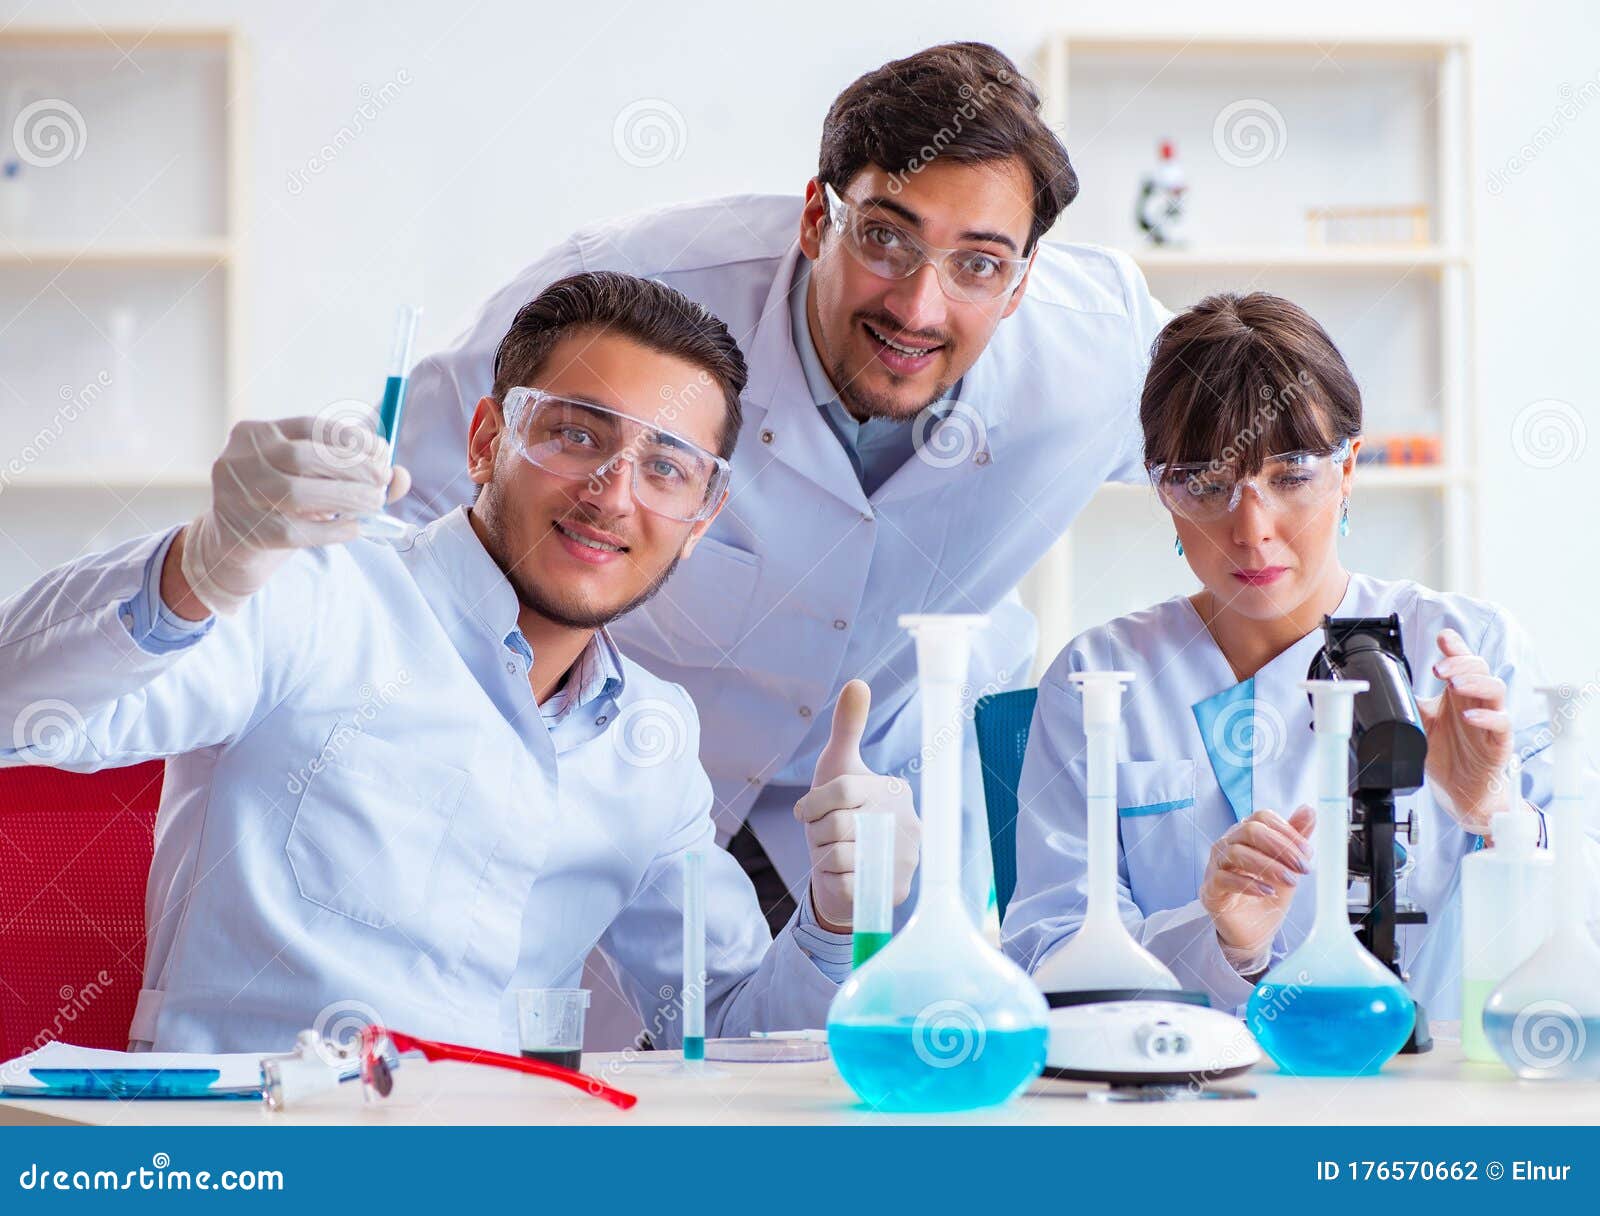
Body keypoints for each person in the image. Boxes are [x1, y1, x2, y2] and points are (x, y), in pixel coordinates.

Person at [0, 272, 916, 1054]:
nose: (612, 493)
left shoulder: (653, 737)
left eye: (667, 468)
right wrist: (201, 567)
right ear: (486, 441)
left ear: (703, 517)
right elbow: (23, 713)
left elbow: (726, 1033)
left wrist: (839, 919)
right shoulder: (317, 591)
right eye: (577, 434)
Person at [392, 41, 1168, 931]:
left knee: (883, 1050)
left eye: (979, 264)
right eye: (885, 237)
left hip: (895, 794)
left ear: (1024, 279)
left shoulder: (1098, 350)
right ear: (816, 218)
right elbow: (412, 515)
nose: (918, 307)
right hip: (632, 783)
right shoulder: (632, 295)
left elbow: (1243, 461)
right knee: (608, 1053)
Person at [1001, 292, 1600, 1018]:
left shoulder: (1470, 649)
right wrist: (1221, 940)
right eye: (1207, 484)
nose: (1251, 530)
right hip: (1184, 1100)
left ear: (1348, 469)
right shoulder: (1098, 678)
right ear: (1164, 493)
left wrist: (1493, 812)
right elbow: (1046, 958)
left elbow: (1581, 925)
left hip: (1433, 1100)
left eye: (1290, 478)